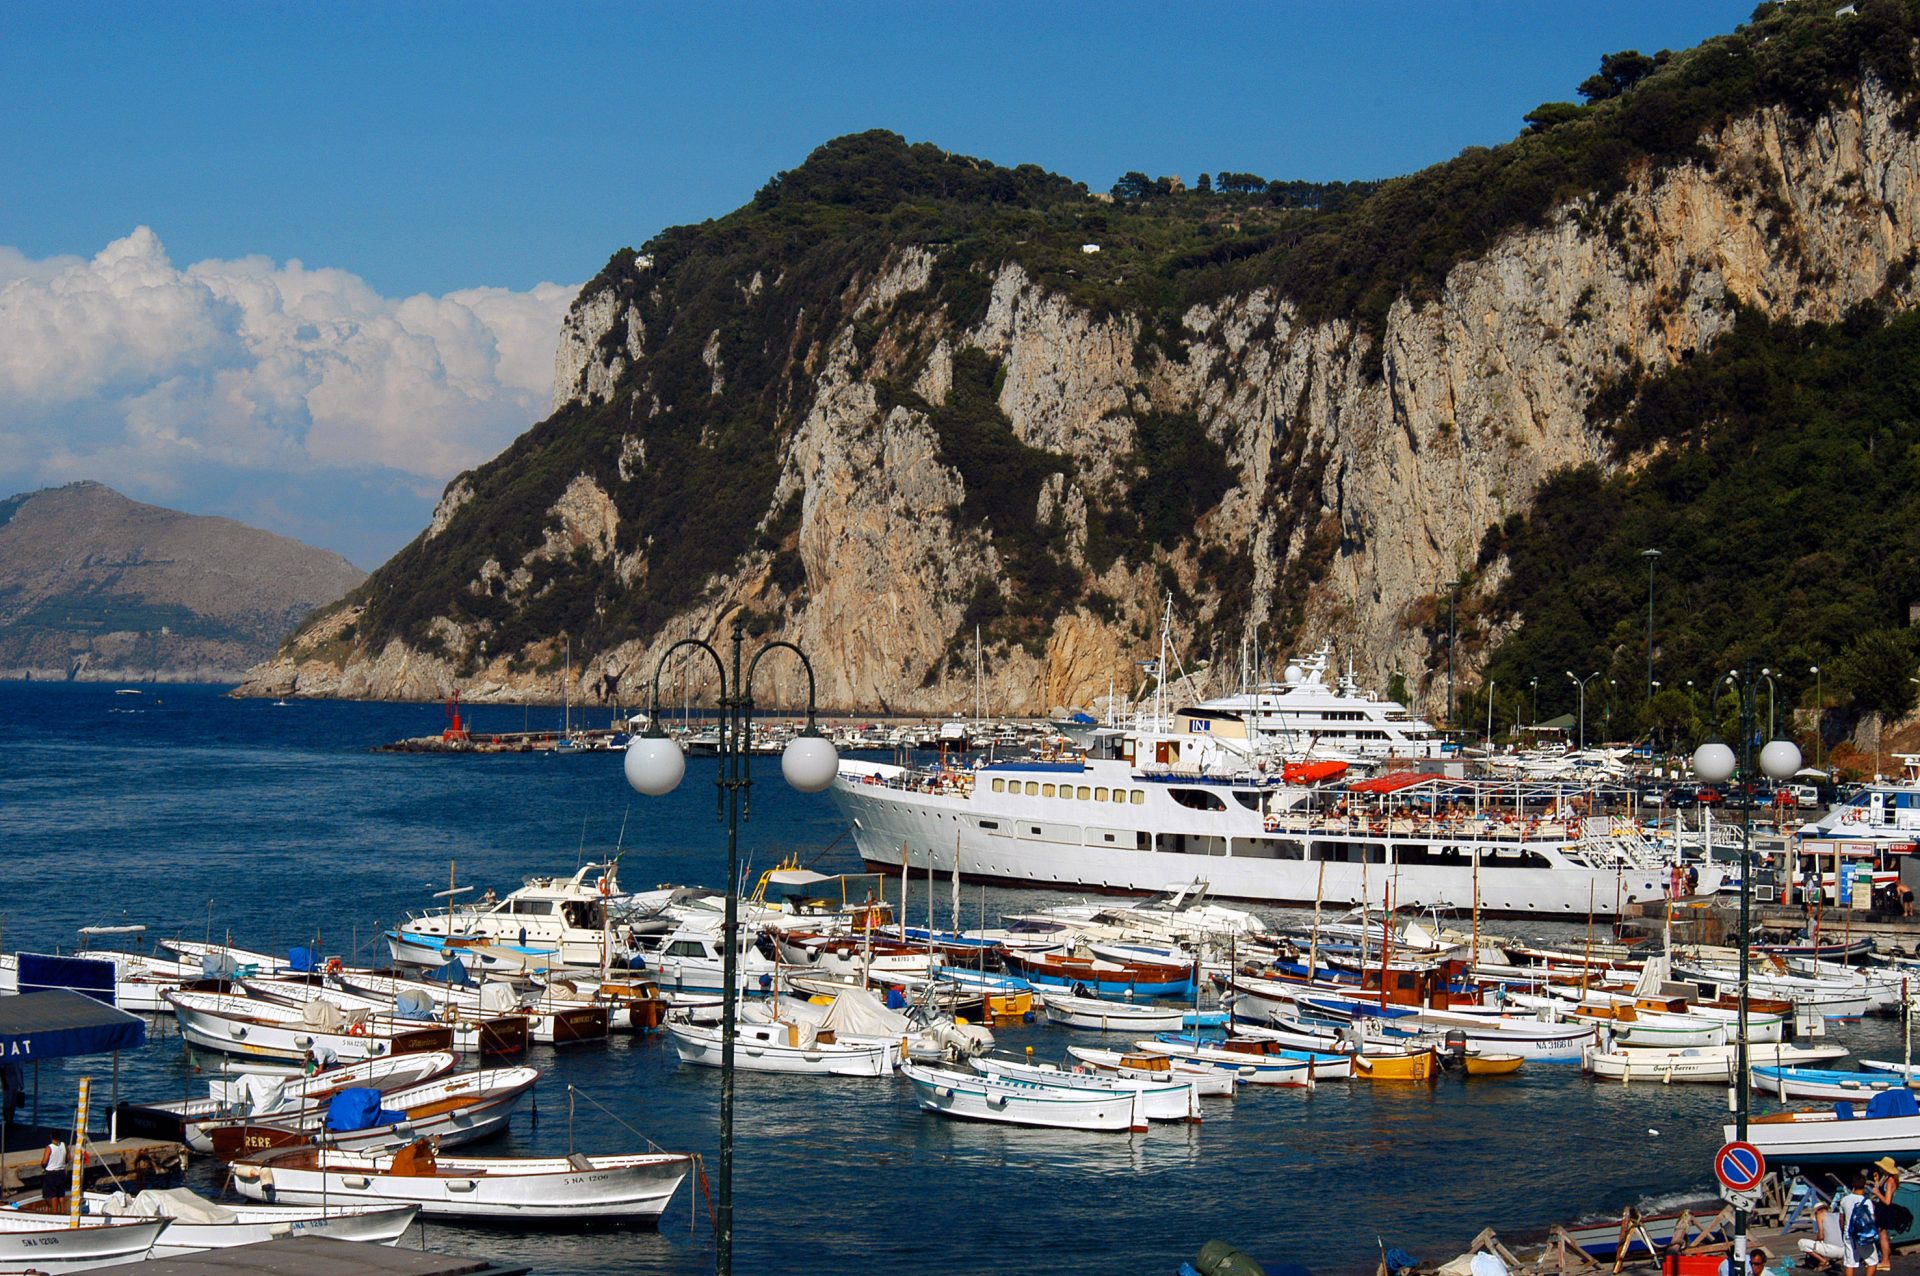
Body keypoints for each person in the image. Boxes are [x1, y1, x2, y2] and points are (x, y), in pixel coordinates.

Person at [1841, 1171, 1879, 1276]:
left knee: (1850, 1263)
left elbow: (1841, 1219)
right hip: (1863, 1235)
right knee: (1872, 1261)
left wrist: (1843, 1232)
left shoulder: (1844, 1200)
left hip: (1848, 1234)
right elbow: (1872, 1219)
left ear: (1852, 1184)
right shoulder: (1866, 1201)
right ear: (1865, 1185)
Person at [1872, 1157, 1903, 1269]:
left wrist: (1877, 1193)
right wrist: (1876, 1181)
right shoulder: (1886, 1178)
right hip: (1881, 1209)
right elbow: (1879, 1189)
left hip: (1885, 1209)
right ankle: (1885, 1260)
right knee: (1883, 1236)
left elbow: (1887, 1200)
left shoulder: (1890, 1181)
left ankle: (1885, 1261)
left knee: (1883, 1237)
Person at [1800, 1196, 1846, 1272]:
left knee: (1802, 1242)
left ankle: (1823, 1261)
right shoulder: (1837, 1215)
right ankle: (1840, 1259)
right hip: (1844, 1250)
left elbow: (1821, 1235)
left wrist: (1817, 1241)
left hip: (1832, 1250)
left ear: (1817, 1211)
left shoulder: (1820, 1215)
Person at [39, 1136, 68, 1211]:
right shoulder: (64, 1145)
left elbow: (44, 1162)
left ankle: (55, 1213)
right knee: (61, 1194)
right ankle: (63, 1211)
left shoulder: (49, 1147)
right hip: (61, 1172)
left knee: (53, 1195)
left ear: (52, 1138)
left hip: (52, 1174)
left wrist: (42, 1165)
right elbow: (68, 1158)